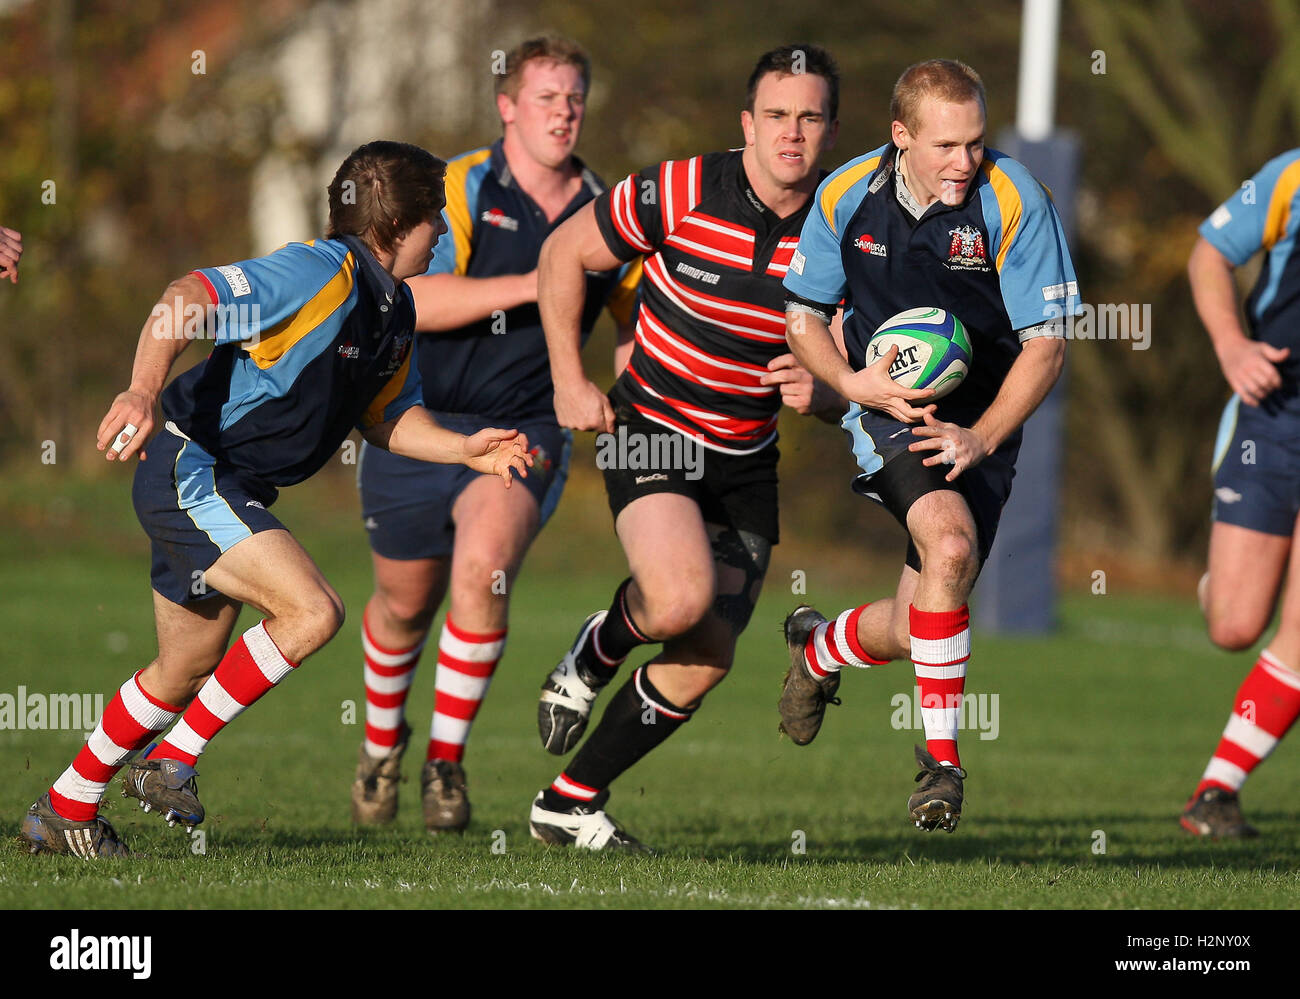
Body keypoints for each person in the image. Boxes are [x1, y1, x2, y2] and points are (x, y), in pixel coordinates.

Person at [19, 140, 531, 857]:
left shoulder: (394, 308)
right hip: (192, 465)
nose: (443, 232)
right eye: (434, 219)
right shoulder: (316, 272)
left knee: (184, 668)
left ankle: (62, 808)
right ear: (395, 224)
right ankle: (171, 761)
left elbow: (385, 416)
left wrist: (464, 448)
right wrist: (138, 388)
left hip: (231, 483)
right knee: (313, 610)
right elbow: (184, 298)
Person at [528, 43, 844, 851]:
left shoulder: (849, 228)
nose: (792, 133)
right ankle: (594, 652)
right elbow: (564, 254)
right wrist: (569, 378)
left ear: (832, 130)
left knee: (705, 657)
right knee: (676, 599)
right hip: (654, 428)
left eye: (810, 116)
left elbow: (866, 360)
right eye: (777, 114)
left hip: (747, 458)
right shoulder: (682, 187)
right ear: (747, 123)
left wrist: (829, 392)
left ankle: (568, 802)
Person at [349, 37, 639, 834]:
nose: (564, 113)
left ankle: (446, 763)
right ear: (508, 106)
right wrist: (551, 277)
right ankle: (381, 747)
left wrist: (631, 394)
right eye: (547, 98)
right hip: (415, 420)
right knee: (405, 605)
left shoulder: (609, 207)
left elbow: (633, 322)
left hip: (525, 426)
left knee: (482, 569)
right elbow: (419, 297)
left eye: (575, 98)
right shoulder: (461, 184)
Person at [778, 59, 1076, 833]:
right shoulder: (846, 194)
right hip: (891, 405)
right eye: (946, 145)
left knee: (921, 626)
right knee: (949, 547)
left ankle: (820, 646)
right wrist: (854, 385)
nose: (964, 162)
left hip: (986, 420)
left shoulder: (1015, 199)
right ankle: (940, 764)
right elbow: (802, 317)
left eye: (976, 142)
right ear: (900, 136)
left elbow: (1047, 345)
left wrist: (980, 435)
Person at [1180, 149, 1300, 838]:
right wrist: (1232, 347)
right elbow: (1207, 253)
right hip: (1274, 413)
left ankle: (1216, 792)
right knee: (1233, 625)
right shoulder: (1291, 177)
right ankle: (1223, 583)